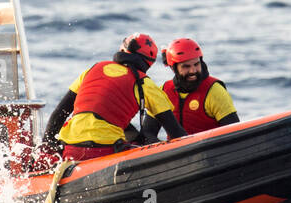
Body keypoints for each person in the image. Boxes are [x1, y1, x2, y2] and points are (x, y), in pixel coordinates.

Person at [42, 34, 187, 161]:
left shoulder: (92, 69)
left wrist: (46, 147)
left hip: (71, 149)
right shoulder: (144, 83)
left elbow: (59, 114)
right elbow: (175, 132)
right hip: (105, 151)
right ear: (148, 63)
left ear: (122, 50)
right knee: (142, 142)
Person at [154, 38, 240, 135]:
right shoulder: (163, 91)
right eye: (186, 66)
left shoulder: (214, 90)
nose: (193, 71)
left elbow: (235, 133)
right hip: (177, 149)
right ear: (173, 68)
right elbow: (148, 133)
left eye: (196, 64)